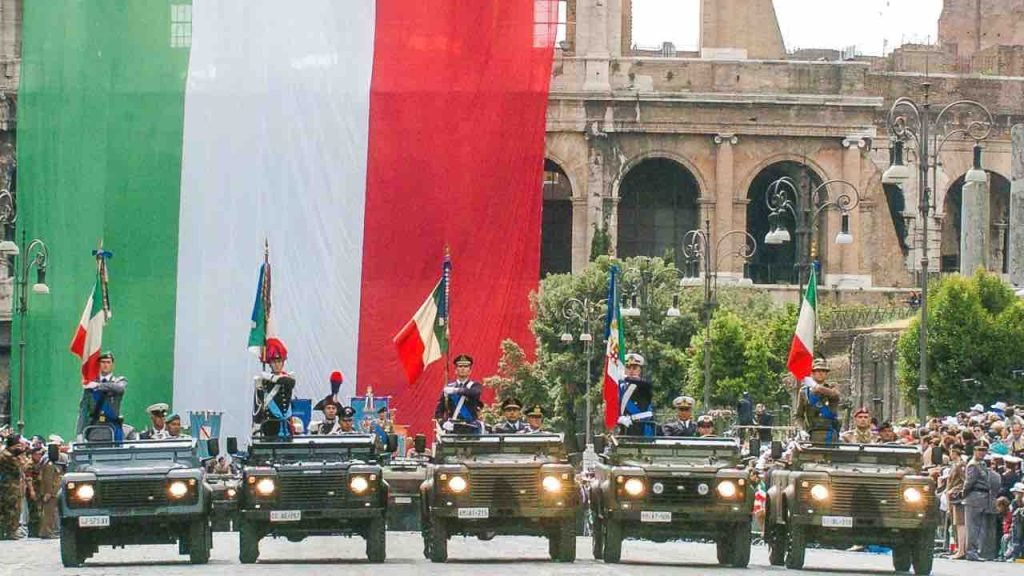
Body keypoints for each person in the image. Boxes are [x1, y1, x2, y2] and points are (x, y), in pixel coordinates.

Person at [76, 351, 128, 440]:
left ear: (112, 364)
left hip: (112, 429)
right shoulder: (90, 385)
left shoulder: (119, 381)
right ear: (99, 364)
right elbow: (83, 410)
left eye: (108, 362)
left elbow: (120, 388)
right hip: (94, 430)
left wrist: (98, 386)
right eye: (103, 362)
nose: (105, 365)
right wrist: (79, 432)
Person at [253, 338, 296, 438]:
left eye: (279, 361)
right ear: (270, 364)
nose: (277, 365)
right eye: (274, 362)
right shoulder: (263, 382)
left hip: (287, 426)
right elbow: (257, 407)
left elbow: (289, 383)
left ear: (283, 362)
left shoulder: (288, 378)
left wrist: (269, 377)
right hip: (269, 427)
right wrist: (256, 428)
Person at [794, 358, 841, 444]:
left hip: (830, 434)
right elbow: (798, 416)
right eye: (817, 370)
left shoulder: (832, 387)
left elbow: (835, 395)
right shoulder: (804, 391)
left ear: (826, 374)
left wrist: (816, 387)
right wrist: (801, 430)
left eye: (823, 371)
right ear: (812, 373)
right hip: (811, 434)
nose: (820, 373)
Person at [434, 354, 483, 433]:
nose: (463, 369)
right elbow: (439, 411)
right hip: (452, 426)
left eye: (466, 366)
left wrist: (456, 390)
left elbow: (475, 392)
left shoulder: (474, 385)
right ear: (456, 370)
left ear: (470, 371)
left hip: (470, 426)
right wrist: (443, 423)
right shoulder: (448, 388)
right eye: (460, 366)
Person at [964, 444, 993, 561]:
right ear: (974, 451)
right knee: (972, 526)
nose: (982, 453)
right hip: (974, 496)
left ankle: (976, 551)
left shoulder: (982, 464)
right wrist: (963, 493)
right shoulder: (973, 465)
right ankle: (971, 552)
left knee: (978, 526)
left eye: (984, 450)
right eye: (979, 450)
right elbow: (969, 482)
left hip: (982, 497)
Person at [616, 353, 656, 436]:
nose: (631, 371)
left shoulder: (644, 386)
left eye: (634, 368)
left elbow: (642, 384)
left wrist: (630, 418)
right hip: (624, 428)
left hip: (641, 427)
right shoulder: (621, 387)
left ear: (639, 370)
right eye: (628, 367)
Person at [0, 435, 26, 539]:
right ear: (12, 445)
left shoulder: (10, 454)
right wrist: (21, 454)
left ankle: (8, 531)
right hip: (8, 487)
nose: (20, 447)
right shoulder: (6, 456)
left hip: (12, 487)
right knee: (11, 509)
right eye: (18, 445)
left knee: (13, 509)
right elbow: (21, 466)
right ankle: (10, 531)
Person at [35, 441, 61, 539]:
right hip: (50, 493)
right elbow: (48, 480)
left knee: (50, 513)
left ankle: (48, 530)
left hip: (53, 492)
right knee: (48, 513)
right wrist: (48, 493)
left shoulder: (50, 463)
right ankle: (47, 532)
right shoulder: (49, 464)